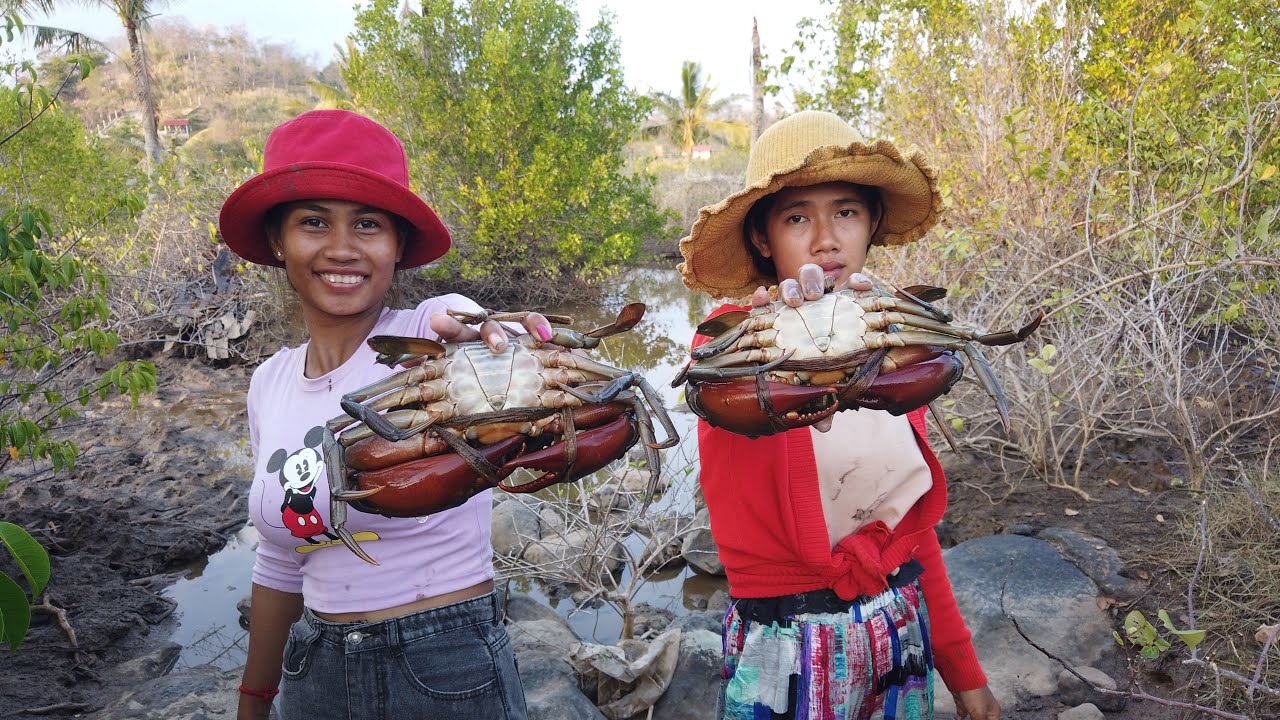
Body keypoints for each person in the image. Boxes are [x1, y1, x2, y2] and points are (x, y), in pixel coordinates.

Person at [678, 110, 1001, 720]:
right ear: (760, 237)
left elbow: (907, 534)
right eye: (797, 216)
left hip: (900, 631)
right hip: (784, 647)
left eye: (846, 211)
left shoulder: (897, 350)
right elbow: (716, 390)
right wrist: (779, 337)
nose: (826, 239)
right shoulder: (727, 346)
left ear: (872, 222)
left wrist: (965, 673)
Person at [220, 109, 541, 720]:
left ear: (397, 246)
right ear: (276, 241)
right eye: (314, 223)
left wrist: (478, 333)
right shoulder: (269, 383)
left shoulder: (426, 344)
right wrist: (254, 700)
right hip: (313, 672)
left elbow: (461, 319)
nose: (342, 248)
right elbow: (282, 560)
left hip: (445, 667)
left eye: (367, 224)